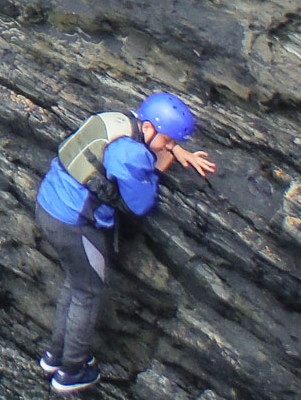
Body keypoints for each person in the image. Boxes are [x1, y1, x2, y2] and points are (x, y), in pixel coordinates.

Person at [35, 92, 217, 393]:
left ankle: (55, 356)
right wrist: (164, 161)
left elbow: (149, 145)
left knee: (75, 283)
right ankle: (70, 371)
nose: (170, 146)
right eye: (168, 140)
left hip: (49, 205)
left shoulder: (120, 119)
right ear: (148, 128)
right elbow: (139, 204)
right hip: (73, 225)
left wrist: (176, 150)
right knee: (88, 292)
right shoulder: (131, 153)